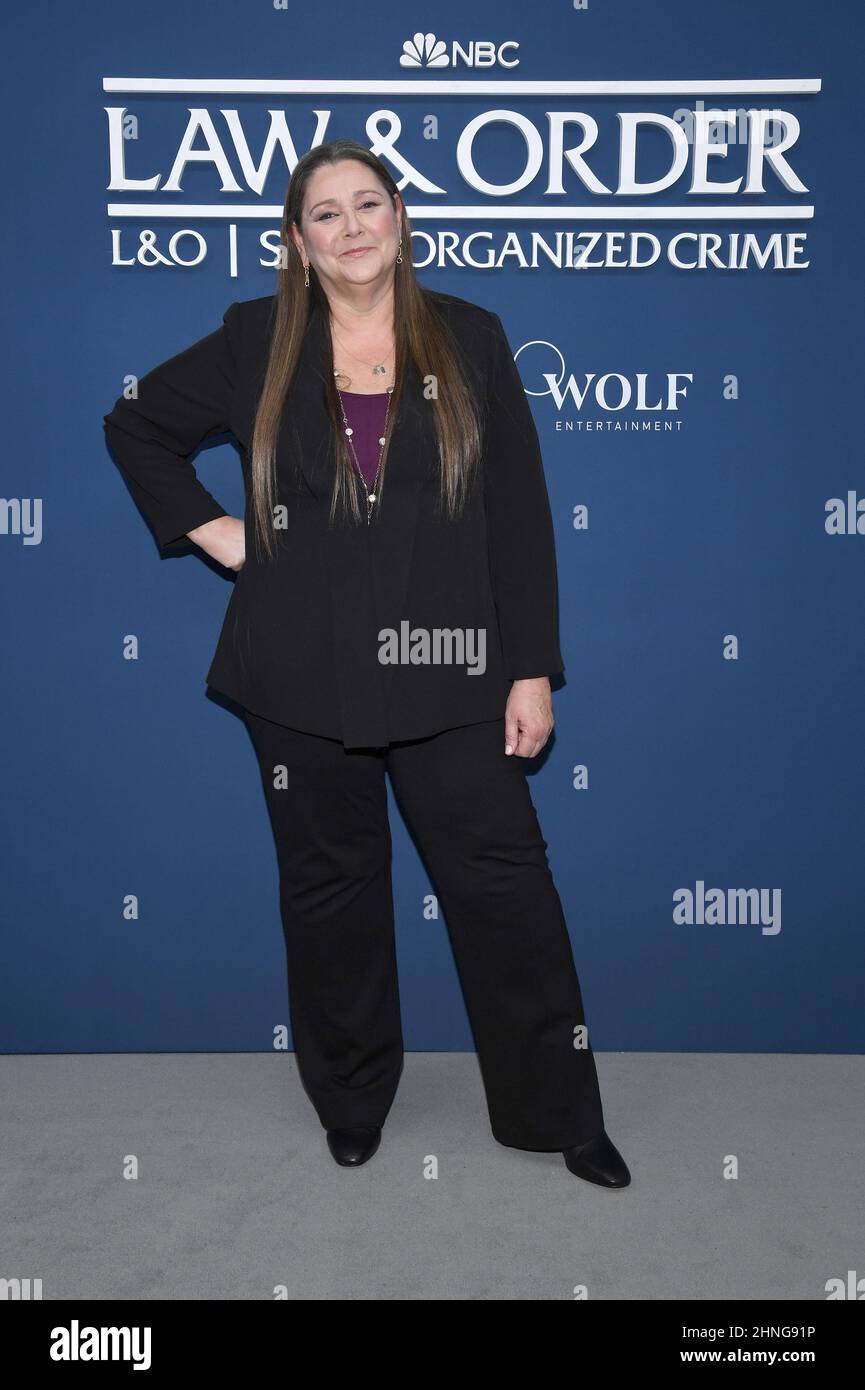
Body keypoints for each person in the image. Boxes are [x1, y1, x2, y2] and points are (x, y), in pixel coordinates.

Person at [103, 138, 630, 1189]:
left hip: (453, 671)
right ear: (295, 243)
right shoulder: (256, 339)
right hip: (298, 678)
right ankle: (351, 1101)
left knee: (504, 889)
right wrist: (215, 532)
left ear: (400, 219)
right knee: (331, 891)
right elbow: (136, 426)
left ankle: (555, 1111)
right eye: (325, 214)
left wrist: (529, 667)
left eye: (368, 204)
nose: (351, 227)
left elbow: (518, 518)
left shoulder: (472, 336)